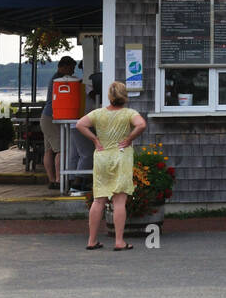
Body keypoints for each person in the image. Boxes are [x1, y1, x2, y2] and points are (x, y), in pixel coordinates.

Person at [76, 80, 146, 250]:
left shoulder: (98, 113)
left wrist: (94, 139)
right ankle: (119, 241)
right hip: (121, 157)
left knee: (98, 200)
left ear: (109, 96)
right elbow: (141, 124)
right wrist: (129, 139)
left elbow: (80, 124)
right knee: (119, 200)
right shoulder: (129, 113)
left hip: (102, 156)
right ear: (125, 96)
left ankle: (92, 240)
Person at [40, 56, 77, 190]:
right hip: (52, 117)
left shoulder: (54, 78)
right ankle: (58, 180)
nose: (73, 72)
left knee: (49, 150)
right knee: (62, 149)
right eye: (72, 69)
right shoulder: (61, 80)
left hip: (46, 117)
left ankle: (52, 180)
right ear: (65, 67)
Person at [68, 72, 102, 192]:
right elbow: (95, 96)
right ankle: (78, 182)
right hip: (83, 123)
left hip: (73, 122)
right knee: (87, 153)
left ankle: (70, 180)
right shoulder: (85, 86)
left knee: (75, 154)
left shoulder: (75, 88)